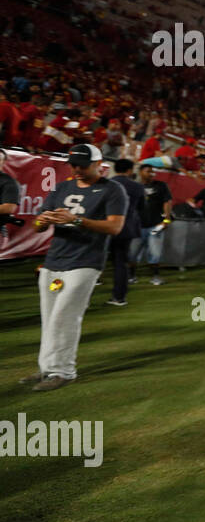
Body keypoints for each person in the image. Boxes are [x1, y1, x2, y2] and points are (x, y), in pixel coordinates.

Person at [21, 144, 126, 391]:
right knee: (49, 318)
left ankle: (64, 371)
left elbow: (114, 228)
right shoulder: (62, 187)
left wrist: (76, 220)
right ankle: (47, 368)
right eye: (73, 164)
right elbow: (37, 226)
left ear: (98, 164)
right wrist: (42, 220)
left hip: (85, 262)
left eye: (83, 164)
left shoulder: (113, 190)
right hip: (54, 260)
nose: (77, 169)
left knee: (64, 317)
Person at [106, 158, 144, 307]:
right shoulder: (137, 186)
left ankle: (84, 300)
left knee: (94, 262)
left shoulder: (106, 183)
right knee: (121, 262)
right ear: (129, 170)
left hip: (104, 226)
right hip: (126, 228)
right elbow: (141, 207)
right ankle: (119, 297)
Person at [134, 165, 172, 285]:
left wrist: (166, 220)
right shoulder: (135, 186)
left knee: (155, 253)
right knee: (133, 253)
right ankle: (131, 276)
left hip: (156, 224)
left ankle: (155, 276)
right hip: (137, 225)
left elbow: (167, 202)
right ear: (140, 172)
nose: (151, 173)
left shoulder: (161, 185)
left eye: (152, 171)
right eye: (148, 171)